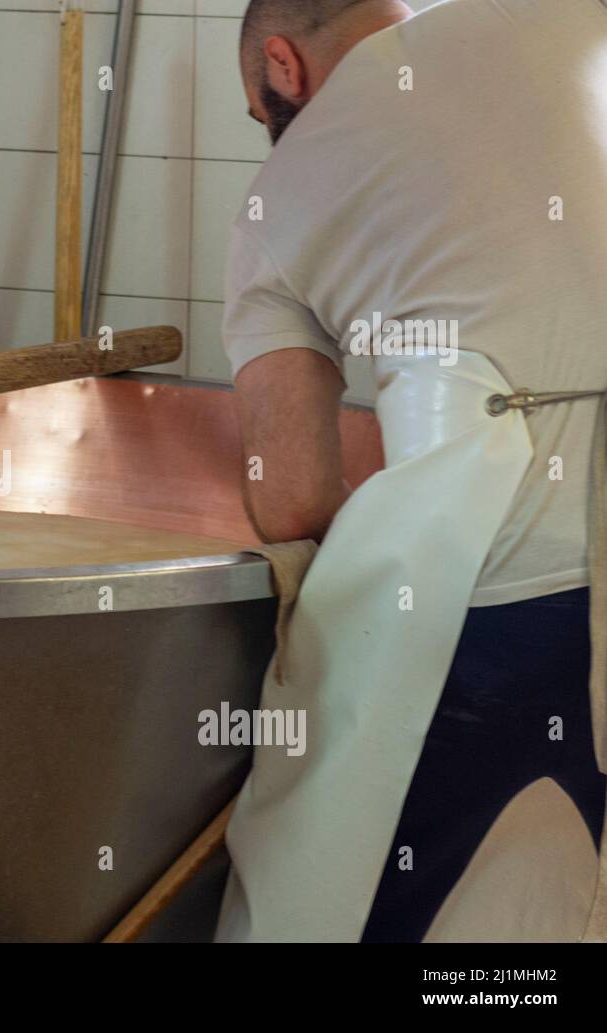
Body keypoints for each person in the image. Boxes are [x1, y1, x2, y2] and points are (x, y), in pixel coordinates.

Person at [217, 0, 607, 941]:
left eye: (257, 112)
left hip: (494, 600)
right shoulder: (563, 21)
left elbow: (293, 496)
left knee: (363, 869)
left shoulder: (277, 203)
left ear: (282, 66)